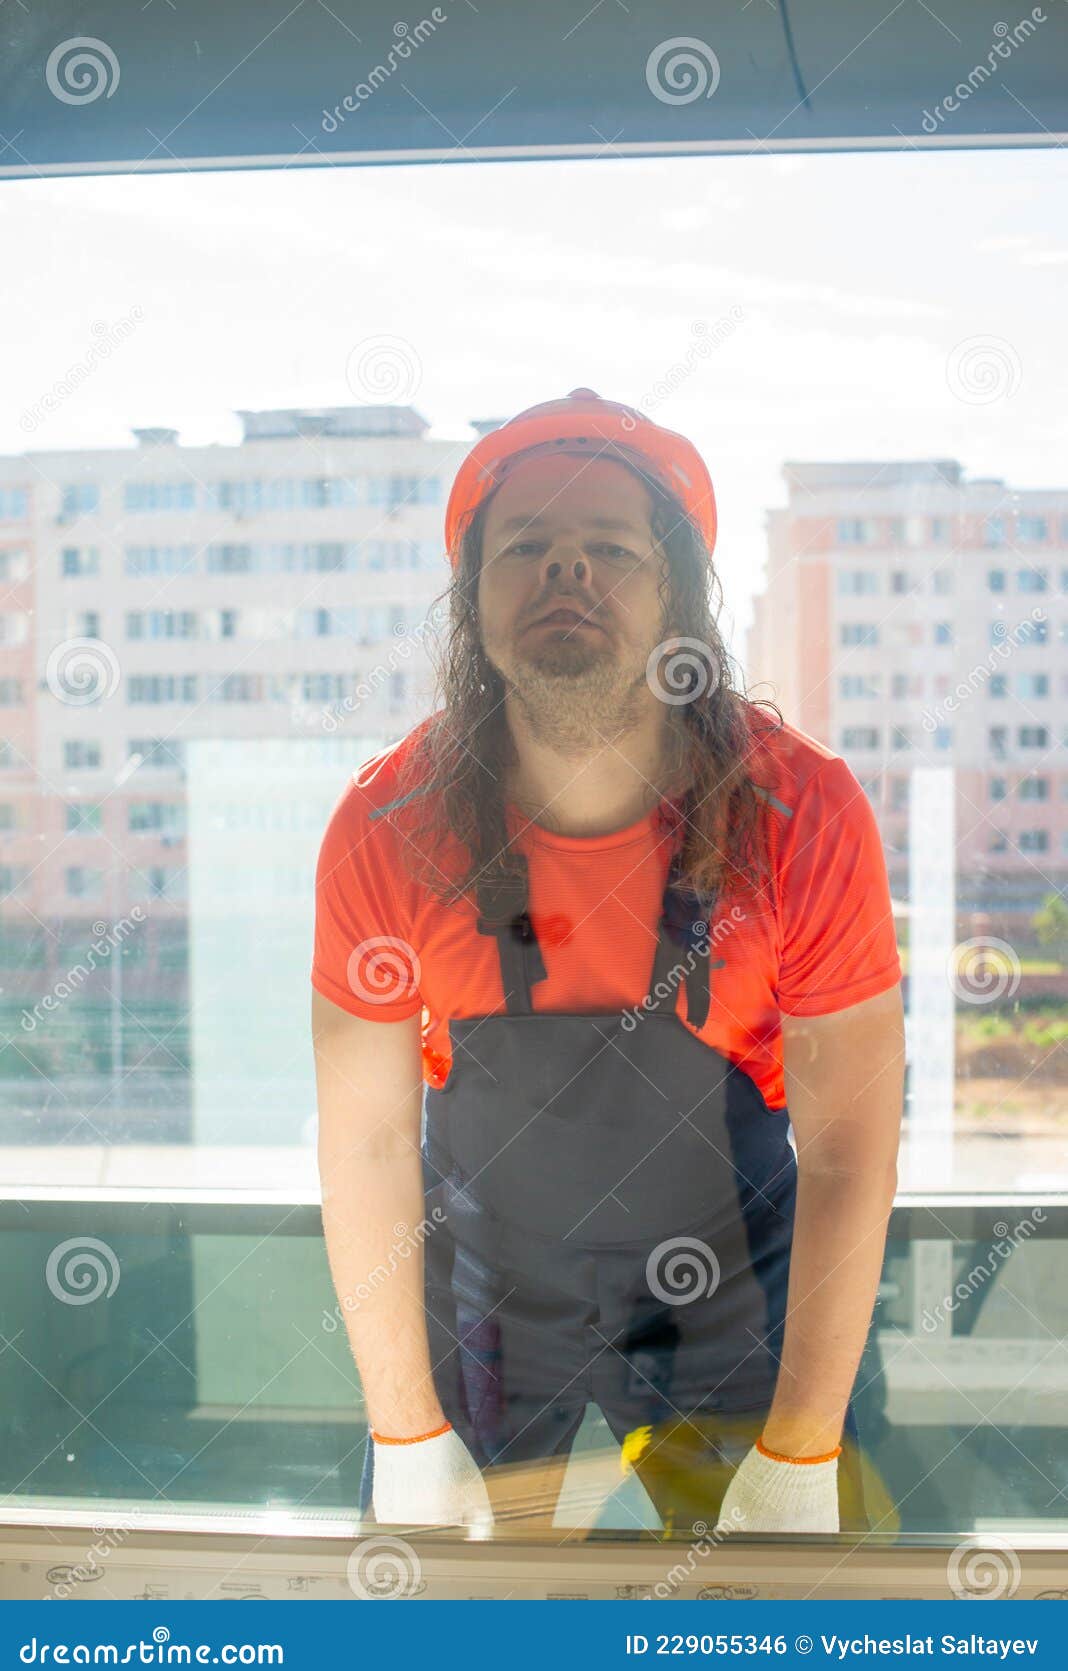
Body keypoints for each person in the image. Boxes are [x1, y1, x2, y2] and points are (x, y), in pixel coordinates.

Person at [311, 388, 905, 1537]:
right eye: (525, 545)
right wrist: (406, 1434)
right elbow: (368, 1147)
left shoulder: (804, 812)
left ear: (677, 592)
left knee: (776, 1624)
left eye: (612, 549)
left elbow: (848, 1154)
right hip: (482, 1314)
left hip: (734, 1309)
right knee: (452, 1621)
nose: (566, 570)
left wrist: (801, 1448)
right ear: (472, 597)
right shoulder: (384, 825)